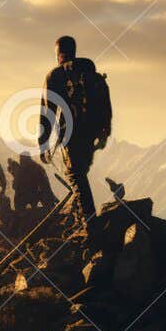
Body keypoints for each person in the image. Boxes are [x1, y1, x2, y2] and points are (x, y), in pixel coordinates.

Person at [39, 35, 112, 228]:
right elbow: (106, 103)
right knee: (81, 175)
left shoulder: (55, 76)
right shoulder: (92, 75)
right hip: (92, 133)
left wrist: (44, 143)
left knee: (75, 176)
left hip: (71, 133)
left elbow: (48, 113)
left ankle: (89, 225)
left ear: (59, 53)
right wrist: (105, 132)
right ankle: (84, 220)